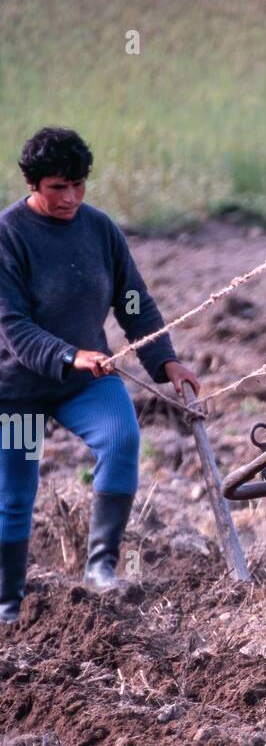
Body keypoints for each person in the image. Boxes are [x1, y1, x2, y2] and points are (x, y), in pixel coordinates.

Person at [0, 125, 200, 623]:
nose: (70, 198)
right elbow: (13, 325)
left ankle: (100, 569)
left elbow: (133, 300)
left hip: (85, 381)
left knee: (121, 438)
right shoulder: (8, 236)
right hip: (17, 391)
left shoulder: (99, 229)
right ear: (33, 185)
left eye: (78, 185)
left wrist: (165, 361)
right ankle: (7, 606)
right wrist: (71, 354)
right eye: (57, 188)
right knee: (15, 495)